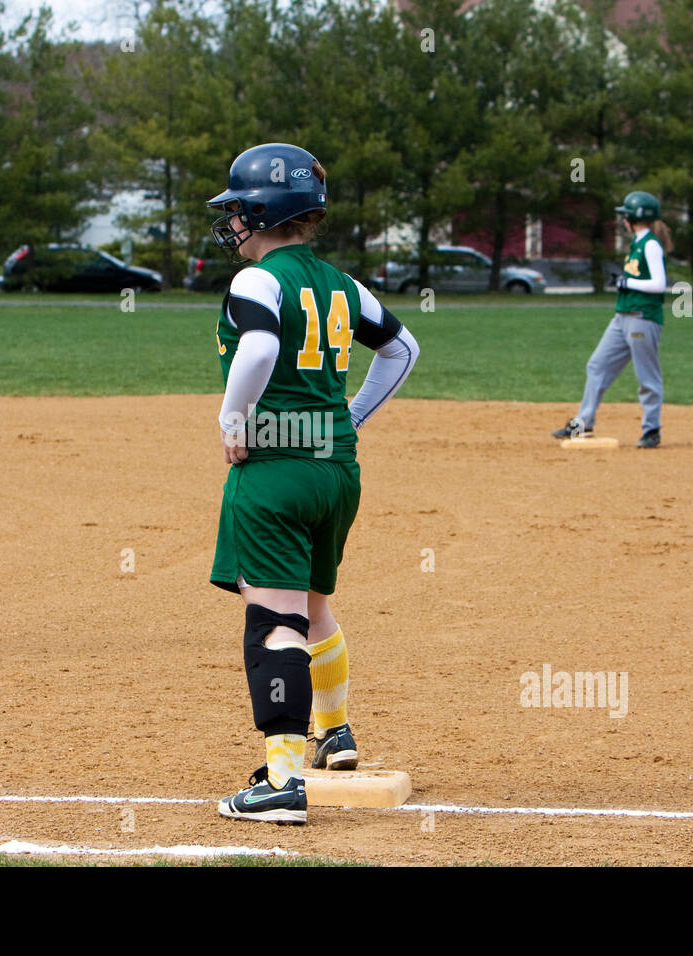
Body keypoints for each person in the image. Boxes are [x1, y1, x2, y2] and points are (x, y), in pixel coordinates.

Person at [207, 143, 419, 825]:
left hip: (275, 469)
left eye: (239, 208)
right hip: (336, 469)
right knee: (314, 606)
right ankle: (336, 734)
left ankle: (282, 783)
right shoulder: (340, 283)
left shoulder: (258, 280)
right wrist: (348, 417)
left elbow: (262, 347)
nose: (232, 220)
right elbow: (402, 348)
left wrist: (234, 415)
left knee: (274, 620)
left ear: (265, 211)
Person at [552, 190, 673, 449]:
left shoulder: (650, 244)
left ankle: (651, 430)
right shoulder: (638, 244)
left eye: (625, 216)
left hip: (642, 317)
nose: (622, 220)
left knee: (647, 377)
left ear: (632, 218)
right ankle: (584, 422)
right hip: (622, 317)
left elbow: (660, 284)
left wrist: (626, 281)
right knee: (597, 365)